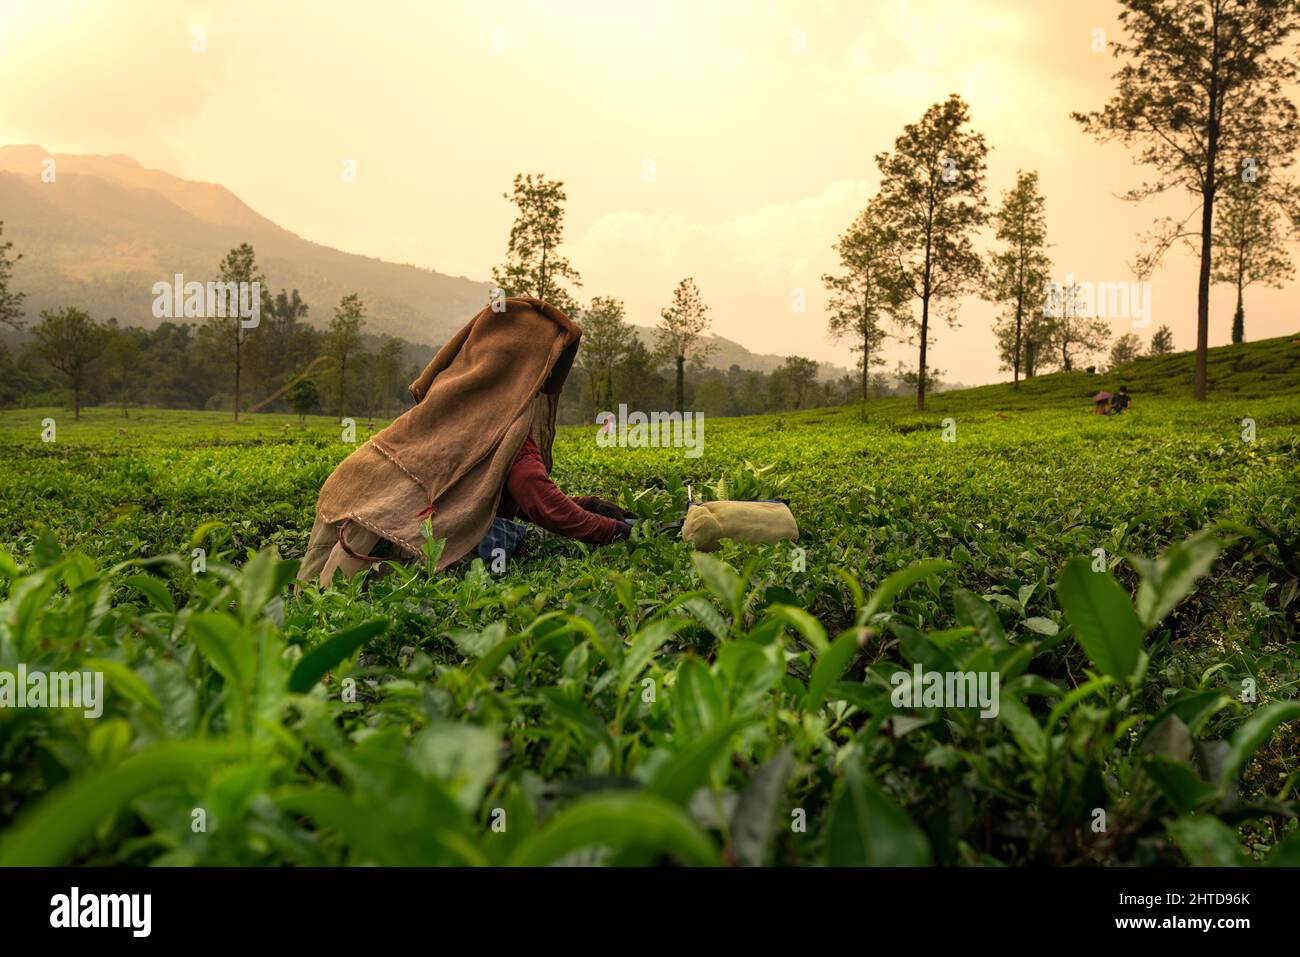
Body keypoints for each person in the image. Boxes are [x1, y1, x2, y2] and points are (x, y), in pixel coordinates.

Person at [297, 297, 631, 585]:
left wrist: (587, 505)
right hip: (384, 530)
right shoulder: (506, 423)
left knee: (319, 605)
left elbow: (499, 492)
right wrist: (613, 531)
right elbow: (538, 499)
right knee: (353, 610)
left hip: (356, 501)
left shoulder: (458, 404)